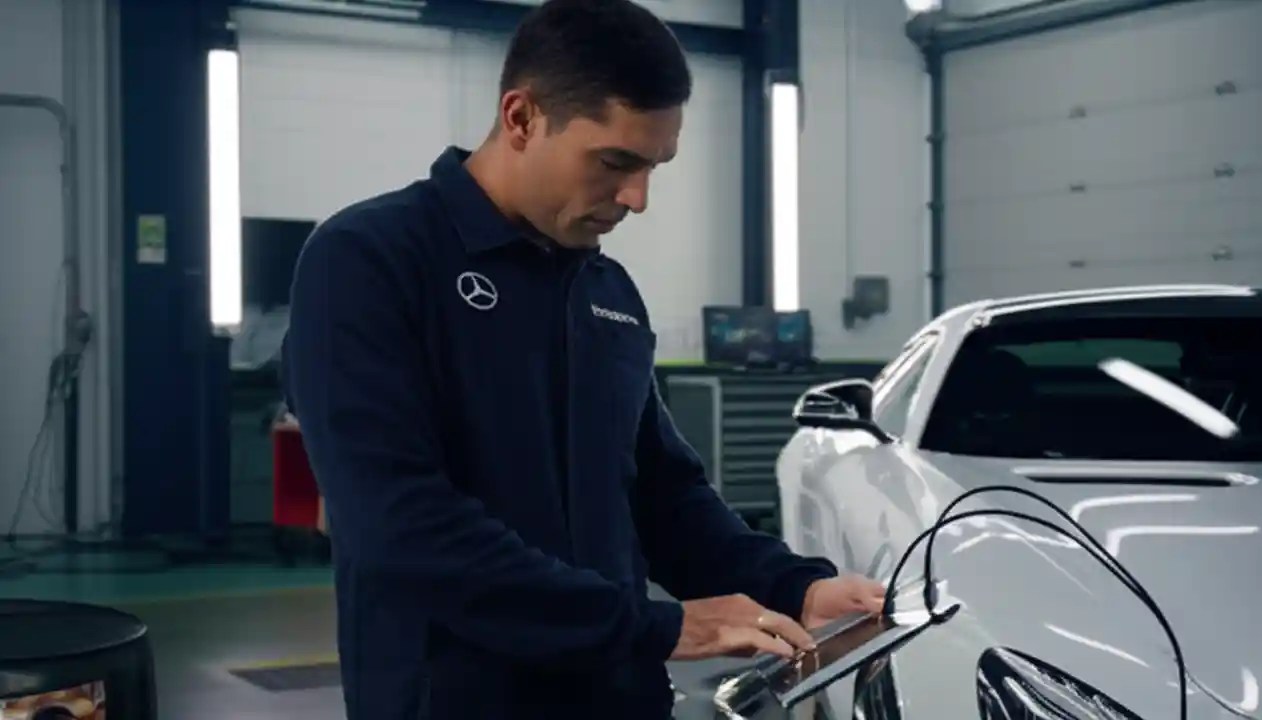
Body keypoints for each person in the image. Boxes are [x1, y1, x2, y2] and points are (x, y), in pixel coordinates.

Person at [281, 0, 885, 717]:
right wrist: (657, 626)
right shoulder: (369, 260)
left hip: (616, 696)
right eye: (615, 162)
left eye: (654, 166)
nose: (637, 198)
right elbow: (399, 525)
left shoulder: (606, 290)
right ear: (521, 118)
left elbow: (662, 495)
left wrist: (796, 586)